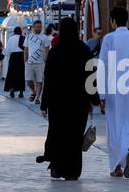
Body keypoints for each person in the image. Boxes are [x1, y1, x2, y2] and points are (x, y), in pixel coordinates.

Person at [37, 16, 92, 180]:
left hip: (57, 103)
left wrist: (44, 103)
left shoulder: (56, 51)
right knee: (75, 136)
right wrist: (94, 99)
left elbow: (49, 79)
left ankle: (57, 167)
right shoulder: (84, 50)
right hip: (78, 102)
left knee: (57, 133)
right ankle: (73, 170)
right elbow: (91, 77)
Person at [98, 6, 129, 178]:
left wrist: (101, 95)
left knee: (114, 126)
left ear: (113, 21)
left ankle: (117, 166)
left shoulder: (109, 39)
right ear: (127, 20)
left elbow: (102, 66)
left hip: (113, 88)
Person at [24, 20, 52, 104]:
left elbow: (47, 50)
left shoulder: (44, 38)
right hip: (29, 62)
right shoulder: (28, 36)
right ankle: (34, 91)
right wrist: (25, 60)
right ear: (33, 27)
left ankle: (37, 98)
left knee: (39, 81)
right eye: (37, 27)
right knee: (28, 80)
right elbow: (26, 49)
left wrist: (46, 61)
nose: (38, 28)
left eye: (40, 27)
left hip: (40, 63)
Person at [4, 25, 26, 97]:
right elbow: (26, 48)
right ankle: (21, 91)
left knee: (12, 74)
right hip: (21, 56)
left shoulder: (11, 38)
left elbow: (7, 50)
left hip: (13, 57)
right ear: (20, 31)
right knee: (21, 74)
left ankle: (12, 88)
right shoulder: (23, 38)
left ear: (14, 31)